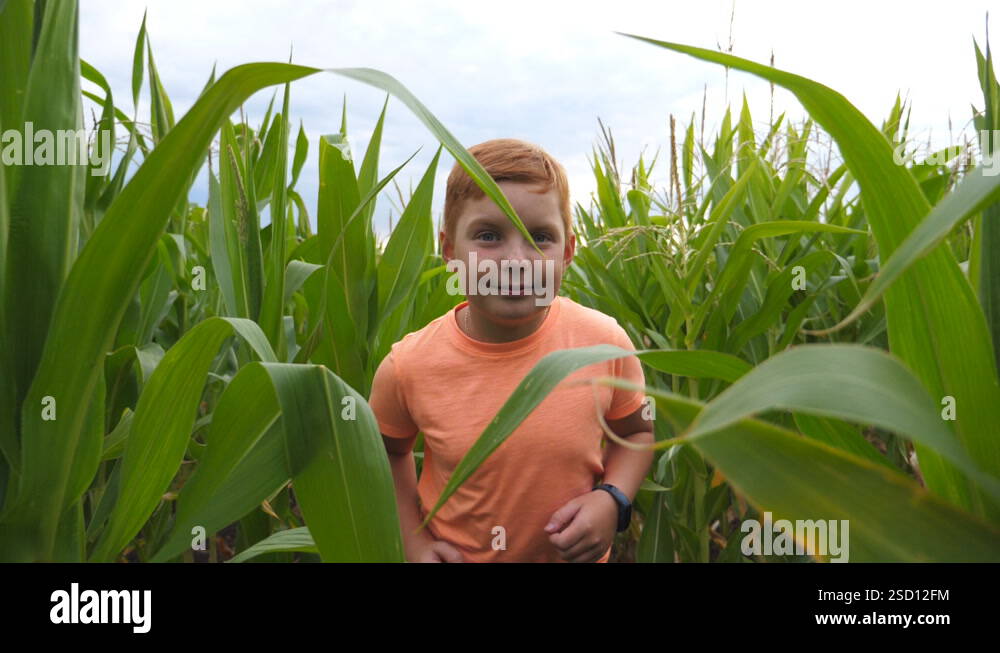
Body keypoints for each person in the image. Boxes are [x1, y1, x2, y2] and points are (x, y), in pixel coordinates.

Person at [369, 138, 653, 562]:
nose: (517, 260)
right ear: (449, 251)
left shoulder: (604, 345)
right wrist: (414, 544)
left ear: (569, 251)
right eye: (489, 236)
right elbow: (386, 453)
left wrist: (613, 500)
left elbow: (637, 433)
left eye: (540, 237)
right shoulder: (408, 366)